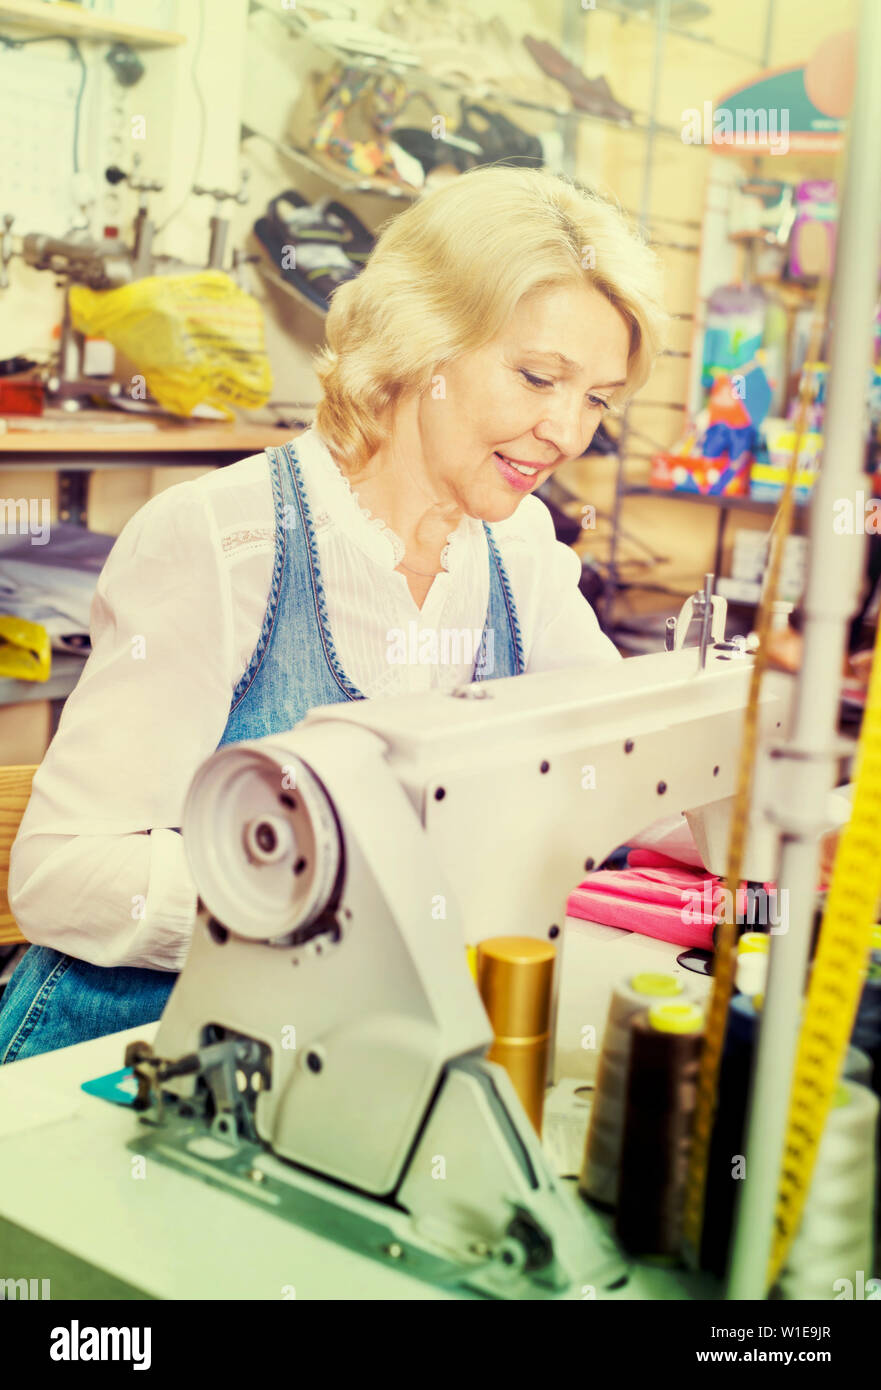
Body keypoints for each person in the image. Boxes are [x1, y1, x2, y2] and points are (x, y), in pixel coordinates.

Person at [0, 165, 667, 1063]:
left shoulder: (518, 550)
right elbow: (59, 876)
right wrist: (333, 900)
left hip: (350, 1048)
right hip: (126, 1057)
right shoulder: (222, 540)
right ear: (420, 342)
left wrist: (745, 824)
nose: (568, 432)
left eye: (595, 398)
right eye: (538, 377)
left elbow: (622, 765)